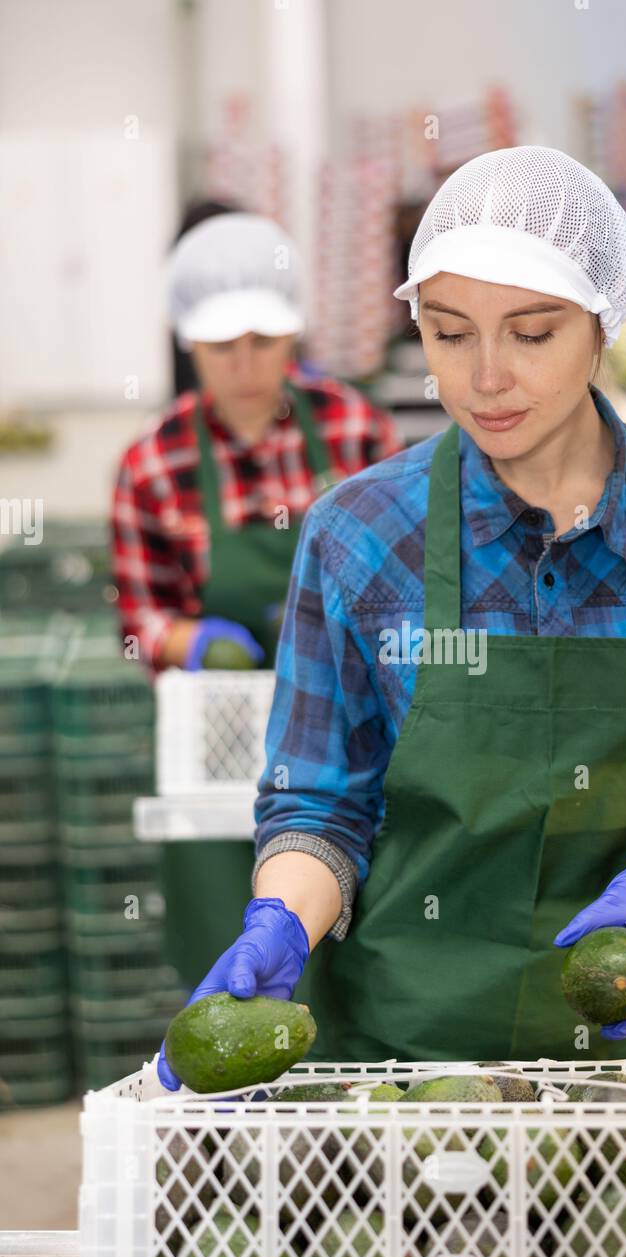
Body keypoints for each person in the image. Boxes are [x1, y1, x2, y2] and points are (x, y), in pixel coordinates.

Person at [157, 148, 626, 1087]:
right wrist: (281, 921)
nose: (487, 377)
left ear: (601, 325)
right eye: (451, 333)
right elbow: (322, 800)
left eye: (533, 334)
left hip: (622, 1073)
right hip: (397, 1063)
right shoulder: (361, 535)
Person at [111, 212, 403, 988]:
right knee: (232, 970)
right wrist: (190, 641)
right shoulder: (153, 463)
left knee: (354, 963)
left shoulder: (356, 432)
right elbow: (139, 620)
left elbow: (414, 587)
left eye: (263, 342)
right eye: (220, 346)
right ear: (186, 343)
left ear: (293, 334)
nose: (244, 364)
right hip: (219, 757)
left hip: (352, 740)